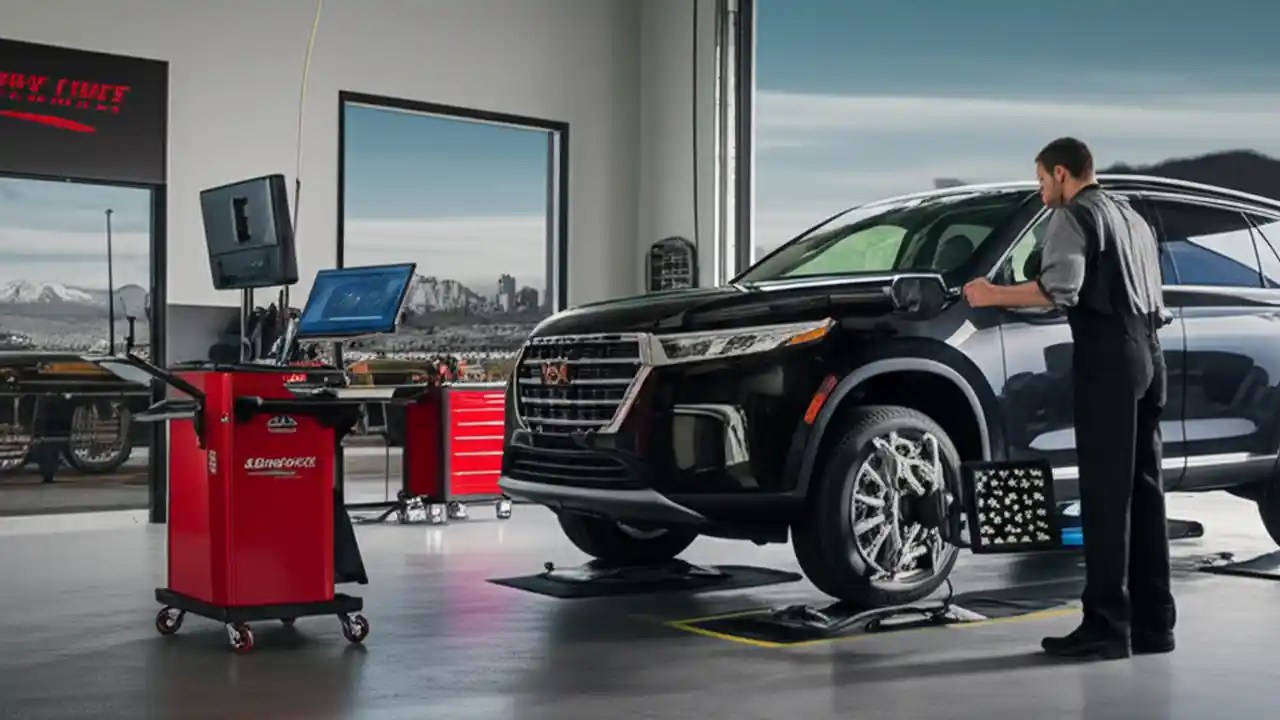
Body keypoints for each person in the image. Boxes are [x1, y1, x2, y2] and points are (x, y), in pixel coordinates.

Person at [962, 137, 1176, 660]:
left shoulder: (1073, 216)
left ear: (1062, 173)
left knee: (1105, 497)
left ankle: (1105, 627)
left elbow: (1060, 289)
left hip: (1108, 359)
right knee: (1146, 492)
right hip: (1150, 355)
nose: (1039, 192)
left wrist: (991, 294)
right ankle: (1154, 626)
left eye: (1040, 180)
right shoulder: (1131, 217)